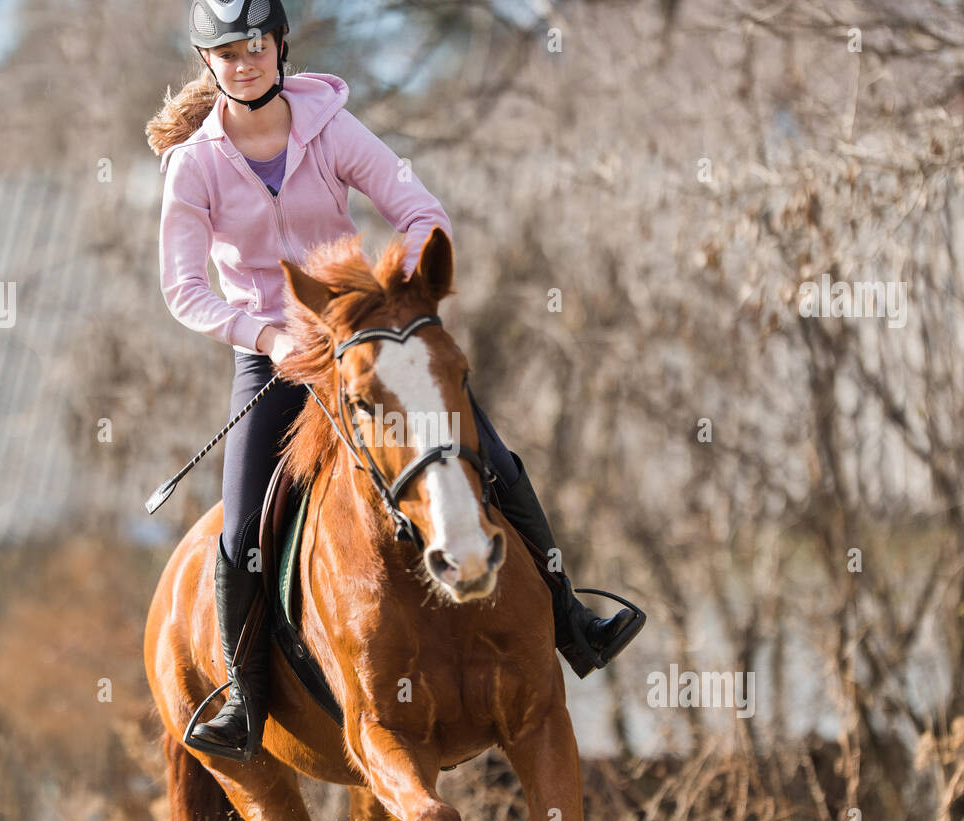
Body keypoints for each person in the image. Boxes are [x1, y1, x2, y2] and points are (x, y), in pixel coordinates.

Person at [148, 0, 645, 762]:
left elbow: (421, 213)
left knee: (498, 465)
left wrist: (395, 298)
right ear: (207, 63)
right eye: (228, 53)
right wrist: (267, 332)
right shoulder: (196, 165)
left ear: (281, 47)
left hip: (369, 336)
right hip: (274, 353)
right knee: (244, 525)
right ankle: (245, 698)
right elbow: (185, 290)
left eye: (256, 46)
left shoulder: (331, 126)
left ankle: (573, 621)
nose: (245, 62)